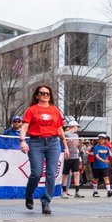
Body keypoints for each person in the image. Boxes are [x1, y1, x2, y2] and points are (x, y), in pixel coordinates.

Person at [19, 85, 69, 215]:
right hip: (36, 142)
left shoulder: (55, 110)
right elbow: (24, 127)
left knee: (51, 174)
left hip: (53, 143)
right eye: (41, 93)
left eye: (47, 93)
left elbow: (59, 130)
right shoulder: (31, 110)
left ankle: (46, 202)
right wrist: (23, 141)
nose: (44, 95)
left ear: (50, 95)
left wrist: (66, 146)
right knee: (37, 173)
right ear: (37, 95)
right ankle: (29, 195)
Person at [61, 122, 84, 198]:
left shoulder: (76, 135)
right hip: (67, 156)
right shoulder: (66, 133)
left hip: (75, 156)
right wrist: (68, 141)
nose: (78, 128)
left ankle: (77, 192)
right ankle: (64, 191)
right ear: (73, 126)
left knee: (77, 173)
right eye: (77, 126)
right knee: (65, 174)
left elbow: (78, 147)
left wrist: (81, 142)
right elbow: (62, 143)